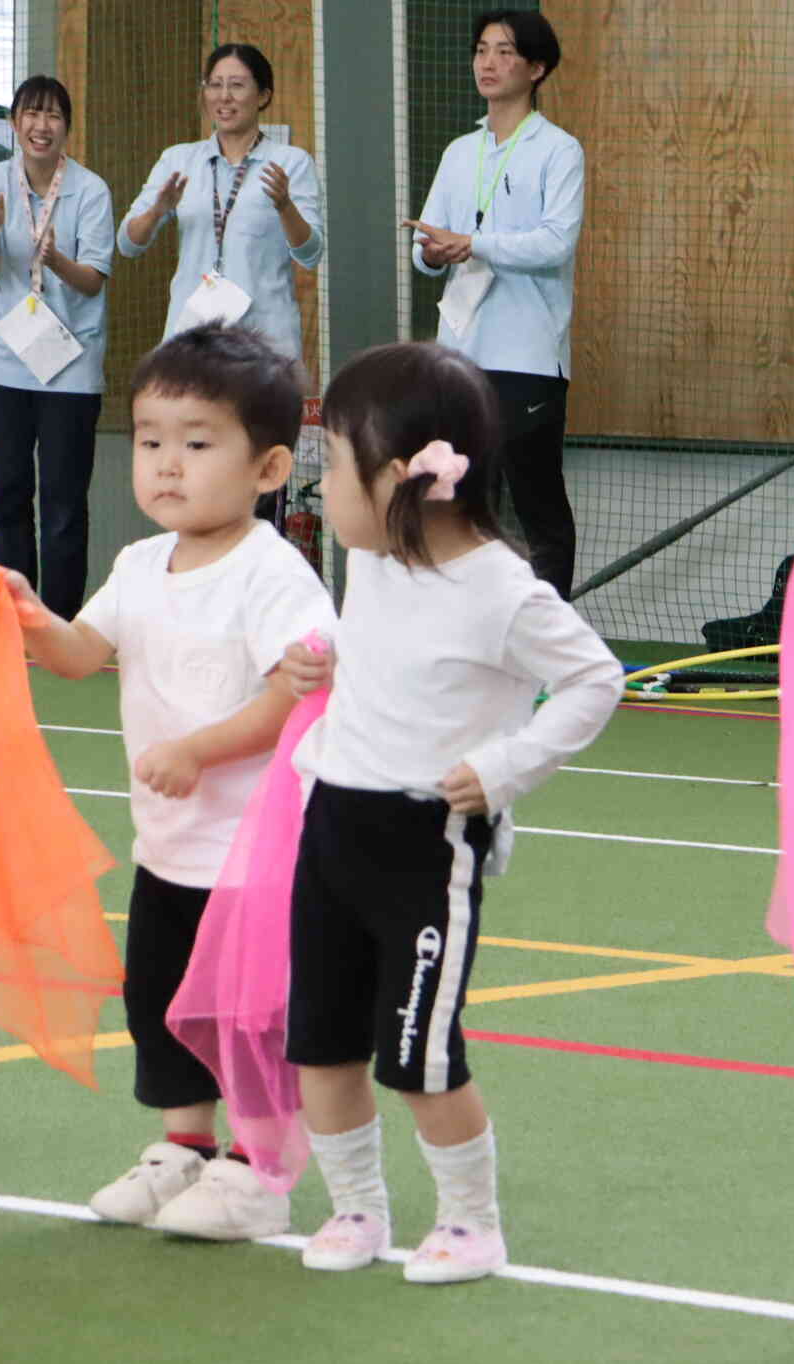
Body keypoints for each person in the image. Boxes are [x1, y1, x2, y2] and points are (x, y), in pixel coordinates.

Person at [272, 341, 623, 1284]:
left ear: (395, 478)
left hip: (426, 843)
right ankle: (357, 1210)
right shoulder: (377, 563)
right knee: (321, 1044)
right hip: (331, 828)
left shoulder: (502, 590)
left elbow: (596, 679)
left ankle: (472, 1222)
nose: (320, 489)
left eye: (331, 468)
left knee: (420, 1055)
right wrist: (325, 659)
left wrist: (507, 765)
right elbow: (387, 660)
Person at [1, 324, 334, 1238]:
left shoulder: (275, 574)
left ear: (268, 469)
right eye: (150, 440)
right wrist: (30, 616)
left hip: (255, 857)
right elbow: (79, 654)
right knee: (160, 1005)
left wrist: (199, 751)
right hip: (170, 850)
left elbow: (289, 700)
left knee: (249, 1020)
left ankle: (258, 1171)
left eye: (196, 443)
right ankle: (184, 1147)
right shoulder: (139, 565)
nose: (167, 465)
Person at [407, 11, 584, 596]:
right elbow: (424, 242)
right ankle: (469, 635)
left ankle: (546, 635)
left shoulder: (558, 150)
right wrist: (433, 253)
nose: (488, 62)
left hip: (529, 354)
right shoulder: (462, 150)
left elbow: (556, 241)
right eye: (481, 50)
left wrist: (475, 243)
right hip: (460, 351)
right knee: (458, 496)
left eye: (505, 52)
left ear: (536, 68)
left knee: (536, 502)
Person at [0, 75, 115, 620]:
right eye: (31, 114)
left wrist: (54, 260)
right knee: (7, 494)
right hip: (7, 361)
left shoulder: (90, 190)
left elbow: (94, 279)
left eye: (53, 116)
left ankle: (59, 619)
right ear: (14, 123)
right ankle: (12, 615)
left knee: (62, 502)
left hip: (71, 364)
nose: (41, 126)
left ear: (66, 129)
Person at [116, 42, 322, 361]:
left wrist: (285, 206)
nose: (224, 96)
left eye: (237, 85)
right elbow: (128, 245)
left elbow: (311, 254)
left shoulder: (291, 162)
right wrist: (158, 209)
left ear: (263, 96)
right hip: (193, 340)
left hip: (266, 342)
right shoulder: (179, 159)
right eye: (215, 84)